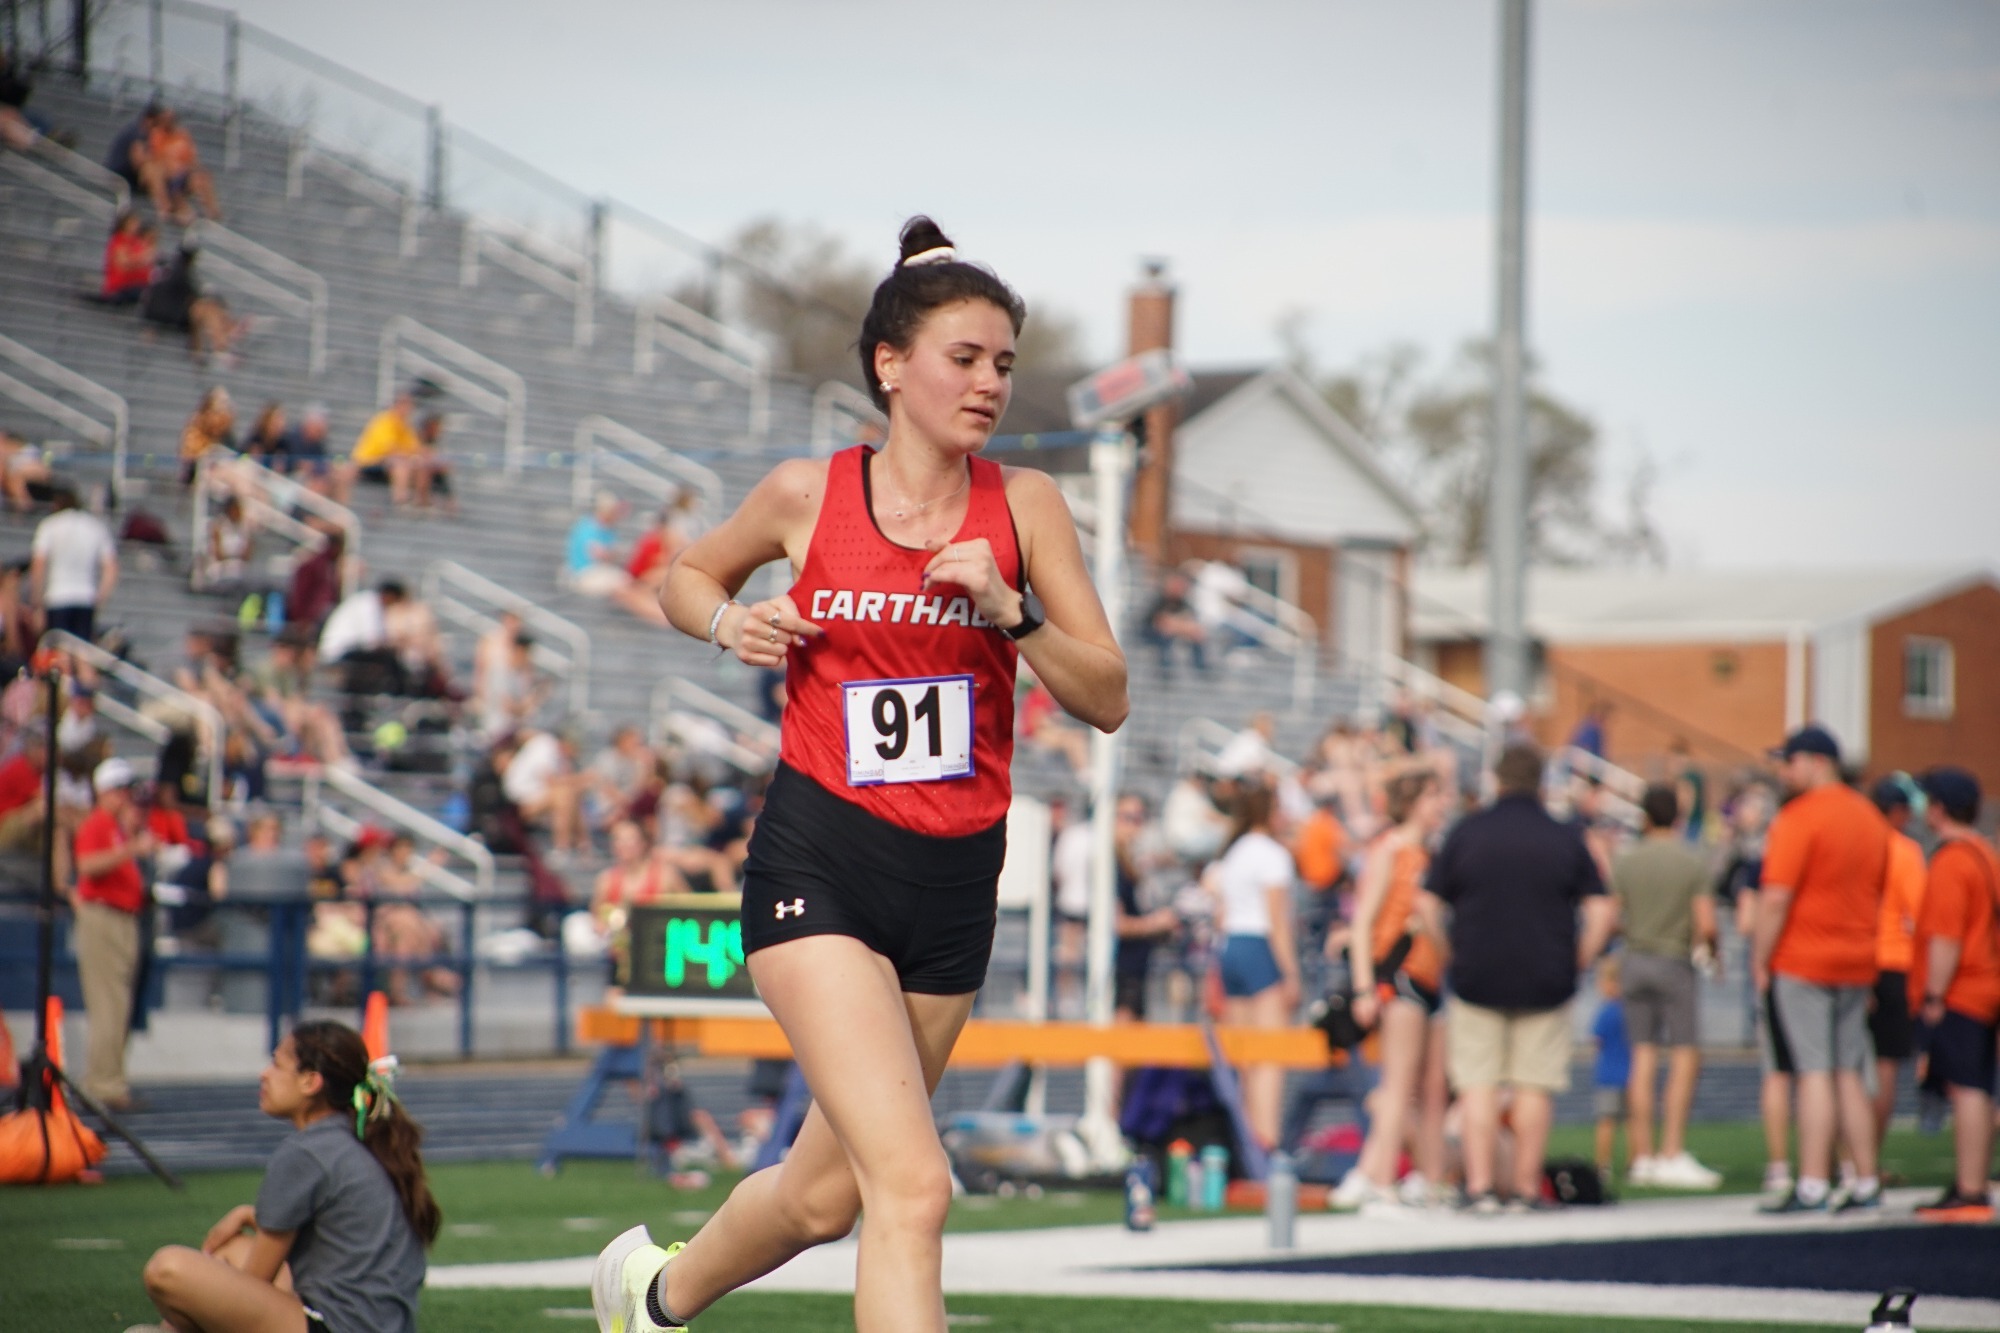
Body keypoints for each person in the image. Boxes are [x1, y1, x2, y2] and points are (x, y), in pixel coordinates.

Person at [594, 216, 1126, 1333]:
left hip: (951, 887)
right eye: (964, 358)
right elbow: (686, 574)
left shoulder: (1024, 510)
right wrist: (731, 621)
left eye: (1003, 365)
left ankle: (652, 1295)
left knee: (825, 1195)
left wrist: (1011, 611)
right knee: (915, 1185)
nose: (988, 384)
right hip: (820, 861)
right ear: (890, 365)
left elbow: (1107, 694)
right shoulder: (807, 494)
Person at [136, 1021, 436, 1333]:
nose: (264, 1074)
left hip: (335, 1326)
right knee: (229, 1252)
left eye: (277, 1064)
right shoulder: (360, 1140)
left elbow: (252, 1285)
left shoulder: (306, 1152)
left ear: (310, 1082)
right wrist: (249, 1214)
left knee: (168, 1269)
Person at [1421, 743, 1616, 1213]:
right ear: (1541, 783)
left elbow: (1426, 904)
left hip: (1477, 976)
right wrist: (1579, 959)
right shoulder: (1565, 836)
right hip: (1546, 976)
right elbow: (1603, 909)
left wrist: (1449, 952)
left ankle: (1482, 1187)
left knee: (1478, 1085)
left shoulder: (1469, 832)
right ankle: (1527, 1188)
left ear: (1497, 780)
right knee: (1533, 1085)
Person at [1752, 724, 1889, 1215]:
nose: (1785, 771)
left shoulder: (1800, 817)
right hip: (1857, 957)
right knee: (1848, 1072)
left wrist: (1760, 959)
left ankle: (1812, 1181)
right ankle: (1866, 1178)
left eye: (1789, 762)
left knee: (1814, 1072)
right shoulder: (1869, 817)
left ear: (1814, 761)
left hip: (1805, 957)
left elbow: (1776, 898)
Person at [1337, 769, 1452, 1211]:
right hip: (1400, 973)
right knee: (1399, 1084)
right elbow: (1363, 922)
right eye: (1431, 795)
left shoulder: (1433, 854)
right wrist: (1365, 988)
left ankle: (1423, 1177)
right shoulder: (1391, 849)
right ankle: (1381, 1182)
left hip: (1430, 975)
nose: (1440, 804)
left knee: (1431, 1087)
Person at [1613, 782, 1722, 1190]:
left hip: (1635, 959)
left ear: (1643, 816)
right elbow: (1707, 924)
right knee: (1683, 1056)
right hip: (1674, 961)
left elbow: (1613, 916)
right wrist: (1713, 953)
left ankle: (1642, 1155)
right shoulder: (1691, 861)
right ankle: (1671, 1150)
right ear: (1677, 817)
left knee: (1641, 1058)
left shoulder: (1627, 860)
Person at [1907, 768, 1999, 1223]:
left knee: (1966, 1090)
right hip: (1987, 981)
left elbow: (1946, 937)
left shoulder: (1952, 861)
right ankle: (1974, 1182)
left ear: (1939, 808)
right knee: (1977, 1088)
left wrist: (1933, 995)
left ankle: (1970, 1187)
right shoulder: (1985, 854)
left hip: (1963, 988)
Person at [1205, 783, 1299, 1152]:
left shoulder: (1233, 853)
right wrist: (1290, 973)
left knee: (1241, 1055)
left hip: (1232, 947)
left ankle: (1242, 1142)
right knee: (1269, 1054)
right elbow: (1277, 919)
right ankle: (1267, 1141)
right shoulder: (1273, 855)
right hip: (1259, 946)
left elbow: (1222, 913)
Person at [71, 757, 154, 1110]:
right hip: (103, 916)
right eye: (120, 790)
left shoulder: (116, 826)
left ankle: (112, 1080)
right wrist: (130, 850)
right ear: (103, 791)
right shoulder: (97, 824)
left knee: (118, 1004)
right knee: (109, 1003)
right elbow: (87, 866)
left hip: (122, 917)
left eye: (127, 791)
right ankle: (104, 1084)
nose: (126, 797)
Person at [1867, 774, 1927, 1167]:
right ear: (1899, 812)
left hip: (1854, 964)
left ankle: (1845, 1159)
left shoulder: (1857, 847)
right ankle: (1868, 1160)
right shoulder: (1904, 851)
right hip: (1892, 964)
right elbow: (1922, 914)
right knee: (1885, 1068)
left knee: (1848, 1068)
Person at [1112, 793, 1177, 1022]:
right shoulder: (1111, 866)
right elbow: (1116, 924)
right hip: (1120, 972)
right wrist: (1155, 923)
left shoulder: (1131, 864)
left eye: (1140, 819)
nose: (1135, 827)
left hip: (1136, 969)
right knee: (1120, 1050)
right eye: (1128, 818)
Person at [566, 489, 668, 625]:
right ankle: (661, 617)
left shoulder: (606, 529)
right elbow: (599, 553)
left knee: (634, 586)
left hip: (597, 572)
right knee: (627, 588)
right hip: (586, 574)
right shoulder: (590, 526)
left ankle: (661, 613)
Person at [30, 486, 118, 643]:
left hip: (57, 598)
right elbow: (111, 568)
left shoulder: (49, 525)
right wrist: (100, 597)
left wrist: (37, 602)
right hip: (86, 598)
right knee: (82, 655)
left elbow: (39, 565)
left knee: (60, 652)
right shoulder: (94, 526)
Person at [140, 242, 243, 365]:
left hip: (169, 311)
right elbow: (194, 295)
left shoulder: (173, 269)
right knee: (205, 309)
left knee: (206, 307)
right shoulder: (180, 273)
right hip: (169, 314)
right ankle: (221, 344)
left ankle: (221, 338)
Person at [337, 386, 422, 506]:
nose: (410, 409)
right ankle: (400, 499)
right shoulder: (383, 420)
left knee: (419, 464)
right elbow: (389, 449)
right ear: (398, 405)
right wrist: (408, 455)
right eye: (407, 405)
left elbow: (415, 449)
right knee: (400, 464)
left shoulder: (405, 425)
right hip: (368, 462)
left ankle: (421, 502)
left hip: (385, 465)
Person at [142, 105, 222, 224]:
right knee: (159, 174)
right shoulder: (157, 135)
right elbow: (156, 159)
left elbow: (192, 160)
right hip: (166, 176)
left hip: (183, 174)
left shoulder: (182, 135)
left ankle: (213, 214)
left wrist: (194, 170)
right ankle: (167, 208)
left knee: (201, 178)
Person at [1591, 955, 1631, 1183]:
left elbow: (1598, 1041)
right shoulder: (1633, 1012)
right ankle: (1634, 1162)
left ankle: (1602, 1165)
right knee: (1632, 1122)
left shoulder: (1606, 1012)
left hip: (1608, 1075)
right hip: (1632, 1075)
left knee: (1606, 1122)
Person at [1141, 568, 1207, 674]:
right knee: (1165, 635)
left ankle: (1201, 668)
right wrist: (1179, 625)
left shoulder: (1185, 604)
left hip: (1175, 633)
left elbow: (1192, 623)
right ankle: (1165, 670)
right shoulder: (1159, 601)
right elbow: (1159, 622)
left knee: (1196, 636)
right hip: (1152, 635)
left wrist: (1178, 626)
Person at [94, 210, 157, 306]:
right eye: (133, 222)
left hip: (139, 285)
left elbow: (149, 258)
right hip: (121, 287)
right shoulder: (118, 241)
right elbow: (123, 264)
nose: (137, 226)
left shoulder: (136, 242)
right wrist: (140, 260)